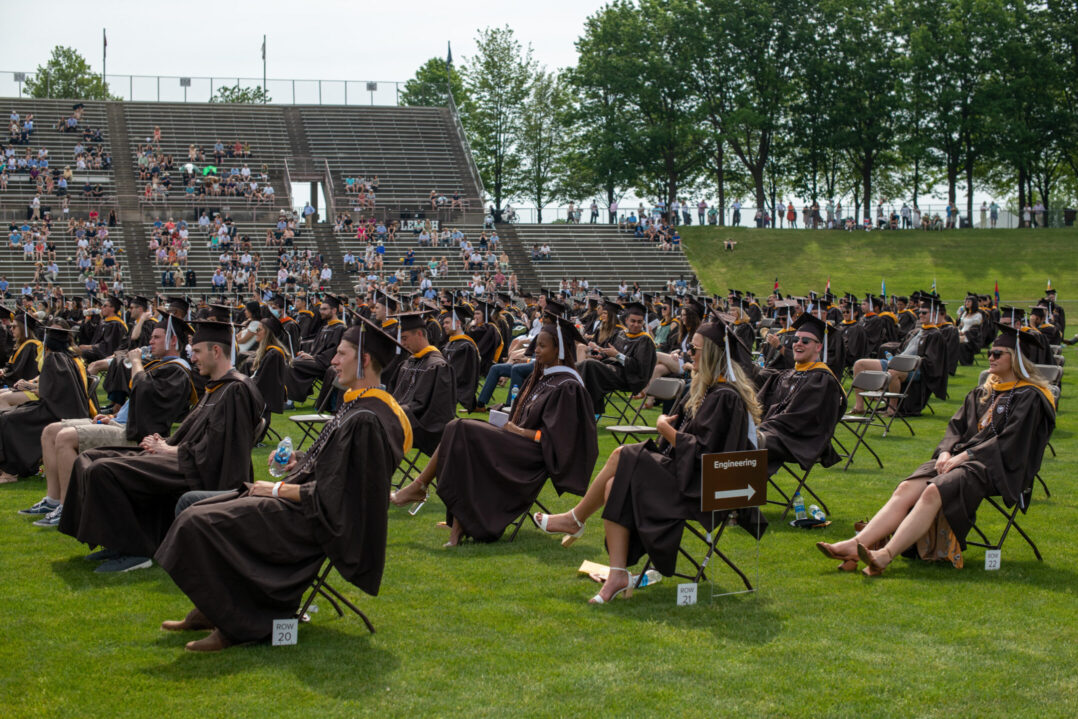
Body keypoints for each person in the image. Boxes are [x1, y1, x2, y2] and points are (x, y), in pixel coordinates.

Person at [155, 316, 409, 652]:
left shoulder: (369, 418)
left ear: (362, 360)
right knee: (198, 508)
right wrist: (299, 462)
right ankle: (213, 608)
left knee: (201, 522)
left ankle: (237, 625)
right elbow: (336, 467)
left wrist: (274, 489)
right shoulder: (359, 405)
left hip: (315, 524)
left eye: (341, 354)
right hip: (302, 508)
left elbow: (340, 495)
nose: (332, 361)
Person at [533, 320, 767, 603]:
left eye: (695, 350)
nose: (689, 355)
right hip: (685, 476)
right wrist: (668, 433)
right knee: (613, 487)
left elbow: (706, 455)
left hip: (701, 489)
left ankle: (575, 519)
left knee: (623, 454)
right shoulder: (706, 392)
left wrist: (664, 429)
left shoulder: (725, 398)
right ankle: (618, 574)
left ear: (712, 355)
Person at [818, 324, 1055, 575]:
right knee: (906, 487)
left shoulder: (1030, 397)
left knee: (934, 491)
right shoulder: (983, 391)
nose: (991, 357)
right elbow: (955, 428)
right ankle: (857, 545)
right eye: (991, 352)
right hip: (962, 460)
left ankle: (885, 555)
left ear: (1017, 359)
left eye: (998, 354)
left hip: (999, 467)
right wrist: (945, 452)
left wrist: (965, 455)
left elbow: (1012, 441)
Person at [58, 321, 265, 573]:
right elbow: (198, 434)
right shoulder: (217, 387)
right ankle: (114, 540)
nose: (193, 357)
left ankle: (136, 551)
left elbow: (220, 452)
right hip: (187, 461)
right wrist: (165, 442)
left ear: (216, 352)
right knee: (90, 457)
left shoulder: (236, 391)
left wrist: (170, 450)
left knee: (105, 470)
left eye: (197, 352)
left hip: (206, 472)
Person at [392, 317, 598, 546]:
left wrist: (520, 432)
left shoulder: (567, 386)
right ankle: (454, 522)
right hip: (513, 442)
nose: (535, 351)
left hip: (530, 456)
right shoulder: (542, 377)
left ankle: (420, 488)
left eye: (542, 346)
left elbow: (559, 440)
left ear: (558, 350)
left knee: (460, 428)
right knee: (456, 431)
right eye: (536, 345)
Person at [21, 319, 196, 525]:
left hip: (136, 433)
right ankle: (53, 499)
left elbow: (146, 395)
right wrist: (113, 416)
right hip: (121, 424)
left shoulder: (177, 369)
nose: (150, 341)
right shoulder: (162, 366)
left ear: (173, 340)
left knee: (65, 437)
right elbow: (137, 402)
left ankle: (68, 508)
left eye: (156, 337)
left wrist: (137, 362)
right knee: (50, 431)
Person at [0, 321, 95, 482]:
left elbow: (49, 392)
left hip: (57, 412)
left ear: (48, 345)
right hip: (60, 408)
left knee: (7, 419)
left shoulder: (55, 360)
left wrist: (31, 388)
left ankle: (11, 472)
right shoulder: (67, 357)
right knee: (8, 416)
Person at [756, 313, 846, 476]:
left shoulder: (822, 380)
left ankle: (742, 494)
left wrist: (761, 428)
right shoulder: (786, 375)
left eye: (805, 341)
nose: (798, 344)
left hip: (801, 439)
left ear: (818, 347)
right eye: (796, 340)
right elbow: (760, 403)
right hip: (776, 432)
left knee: (750, 441)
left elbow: (800, 420)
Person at [388, 310, 456, 455]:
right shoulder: (408, 363)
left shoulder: (438, 366)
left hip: (424, 427)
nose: (402, 343)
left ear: (419, 334)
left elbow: (437, 414)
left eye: (405, 338)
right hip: (403, 418)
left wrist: (396, 412)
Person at [577, 302, 657, 417]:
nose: (636, 325)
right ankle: (584, 407)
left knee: (589, 365)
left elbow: (638, 367)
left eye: (639, 322)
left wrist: (617, 355)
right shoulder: (621, 334)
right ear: (627, 321)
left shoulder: (645, 340)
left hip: (630, 378)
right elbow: (611, 352)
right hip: (615, 372)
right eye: (633, 321)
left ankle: (588, 411)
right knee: (580, 365)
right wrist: (601, 355)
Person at [285, 295, 345, 404]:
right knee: (290, 361)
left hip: (326, 364)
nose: (321, 311)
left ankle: (289, 402)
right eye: (321, 309)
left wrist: (313, 357)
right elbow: (317, 348)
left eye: (324, 309)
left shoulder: (340, 328)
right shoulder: (324, 327)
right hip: (317, 361)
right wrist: (308, 354)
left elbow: (333, 351)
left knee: (293, 364)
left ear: (334, 310)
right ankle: (291, 397)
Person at [0, 311, 43, 412]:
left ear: (24, 329)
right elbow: (11, 366)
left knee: (2, 397)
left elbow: (22, 372)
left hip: (29, 386)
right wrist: (4, 371)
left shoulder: (32, 346)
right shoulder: (22, 345)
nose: (11, 329)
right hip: (19, 384)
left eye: (14, 327)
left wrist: (4, 375)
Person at [440, 304, 480, 412]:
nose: (444, 326)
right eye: (444, 323)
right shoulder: (450, 343)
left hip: (452, 388)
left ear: (458, 323)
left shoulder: (466, 346)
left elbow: (460, 375)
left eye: (447, 322)